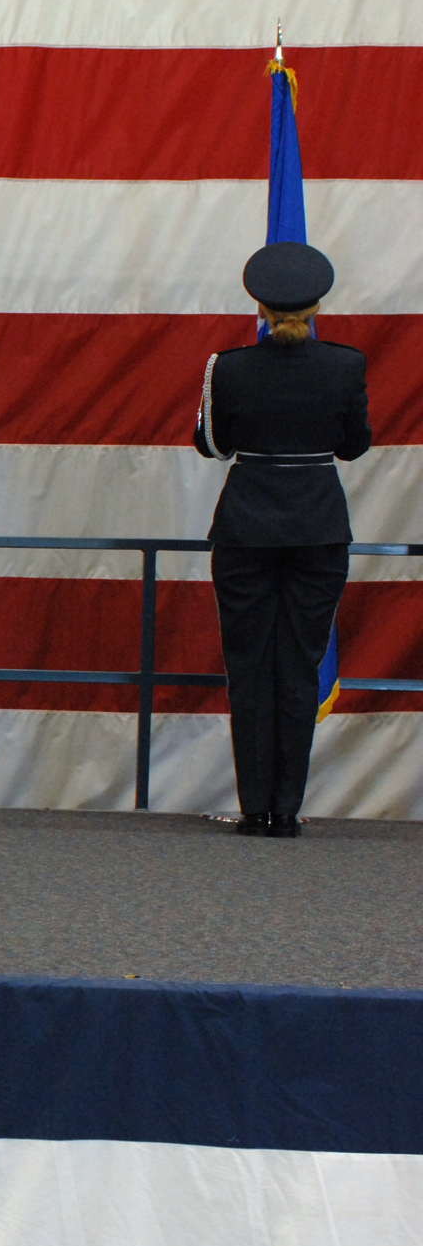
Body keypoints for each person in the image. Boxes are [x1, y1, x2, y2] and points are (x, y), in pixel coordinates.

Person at [193, 240, 370, 837]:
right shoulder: (346, 365)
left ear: (260, 308)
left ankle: (254, 810)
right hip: (318, 527)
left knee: (248, 665)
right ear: (317, 307)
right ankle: (287, 811)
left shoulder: (228, 367)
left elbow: (212, 445)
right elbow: (354, 445)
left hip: (246, 528)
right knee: (299, 664)